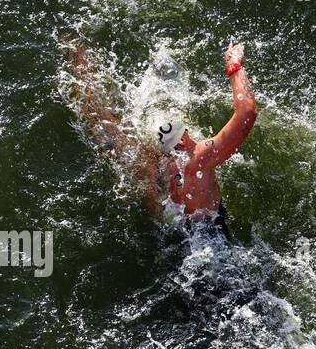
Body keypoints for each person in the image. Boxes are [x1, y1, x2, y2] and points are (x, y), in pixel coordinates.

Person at [65, 39, 258, 230]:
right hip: (211, 237)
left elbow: (105, 128)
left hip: (174, 238)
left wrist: (81, 78)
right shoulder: (197, 159)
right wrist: (233, 64)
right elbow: (247, 112)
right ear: (184, 139)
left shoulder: (149, 169)